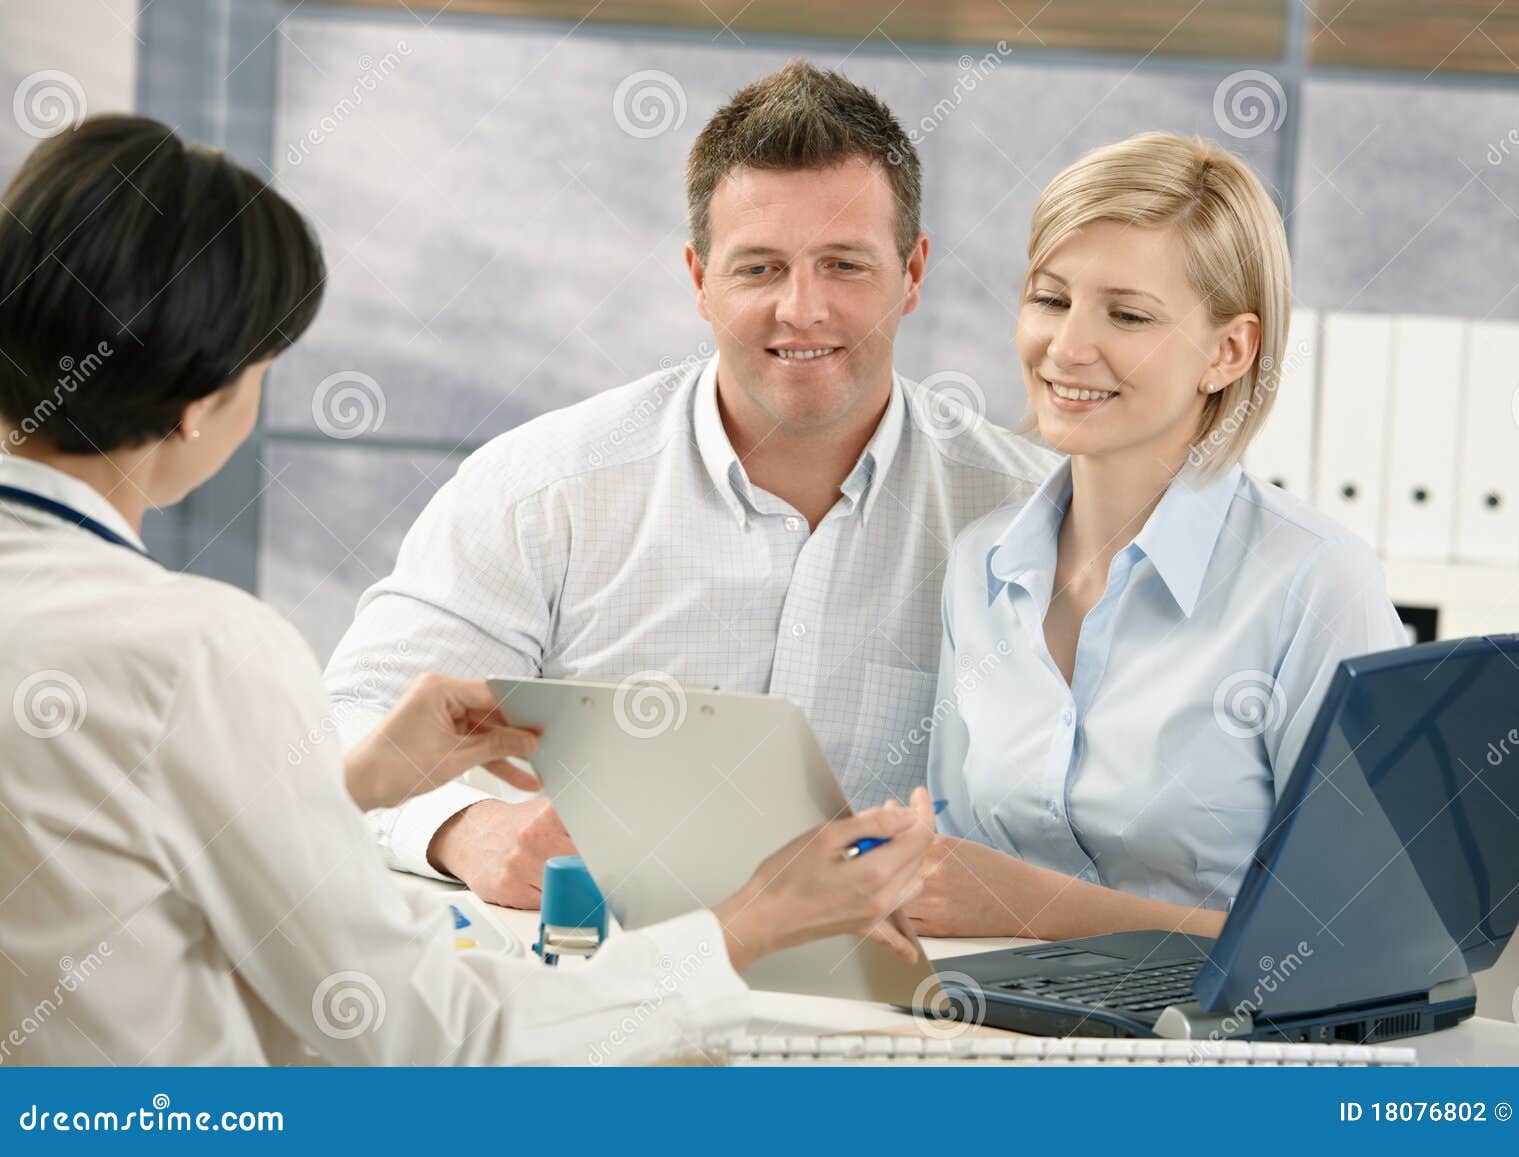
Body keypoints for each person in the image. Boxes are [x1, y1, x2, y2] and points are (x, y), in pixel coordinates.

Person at [0, 114, 938, 1066]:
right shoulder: (197, 651)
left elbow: (117, 861)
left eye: (845, 265)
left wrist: (356, 786)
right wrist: (753, 924)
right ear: (203, 402)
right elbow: (441, 1038)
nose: (801, 308)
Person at [325, 60, 1058, 908]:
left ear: (914, 272)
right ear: (698, 280)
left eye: (845, 265)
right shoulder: (541, 490)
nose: (802, 309)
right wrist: (461, 829)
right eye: (759, 269)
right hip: (601, 993)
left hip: (910, 1004)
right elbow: (350, 719)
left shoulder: (1027, 512)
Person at [911, 131, 1519, 940]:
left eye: (1127, 314)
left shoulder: (1312, 581)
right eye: (1050, 298)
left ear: (1229, 351)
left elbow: (1367, 933)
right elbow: (953, 871)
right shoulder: (981, 568)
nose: (1065, 347)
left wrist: (1042, 911)